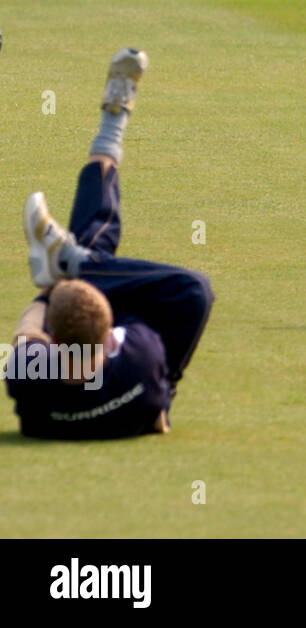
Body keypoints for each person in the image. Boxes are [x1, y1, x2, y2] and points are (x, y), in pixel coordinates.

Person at [4, 49, 215, 438]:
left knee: (106, 253)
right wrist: (52, 292)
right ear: (111, 335)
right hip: (144, 399)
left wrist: (55, 294)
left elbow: (28, 336)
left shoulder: (131, 365)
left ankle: (75, 262)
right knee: (191, 289)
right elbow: (25, 336)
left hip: (142, 403)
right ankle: (77, 264)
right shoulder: (136, 356)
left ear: (55, 341)